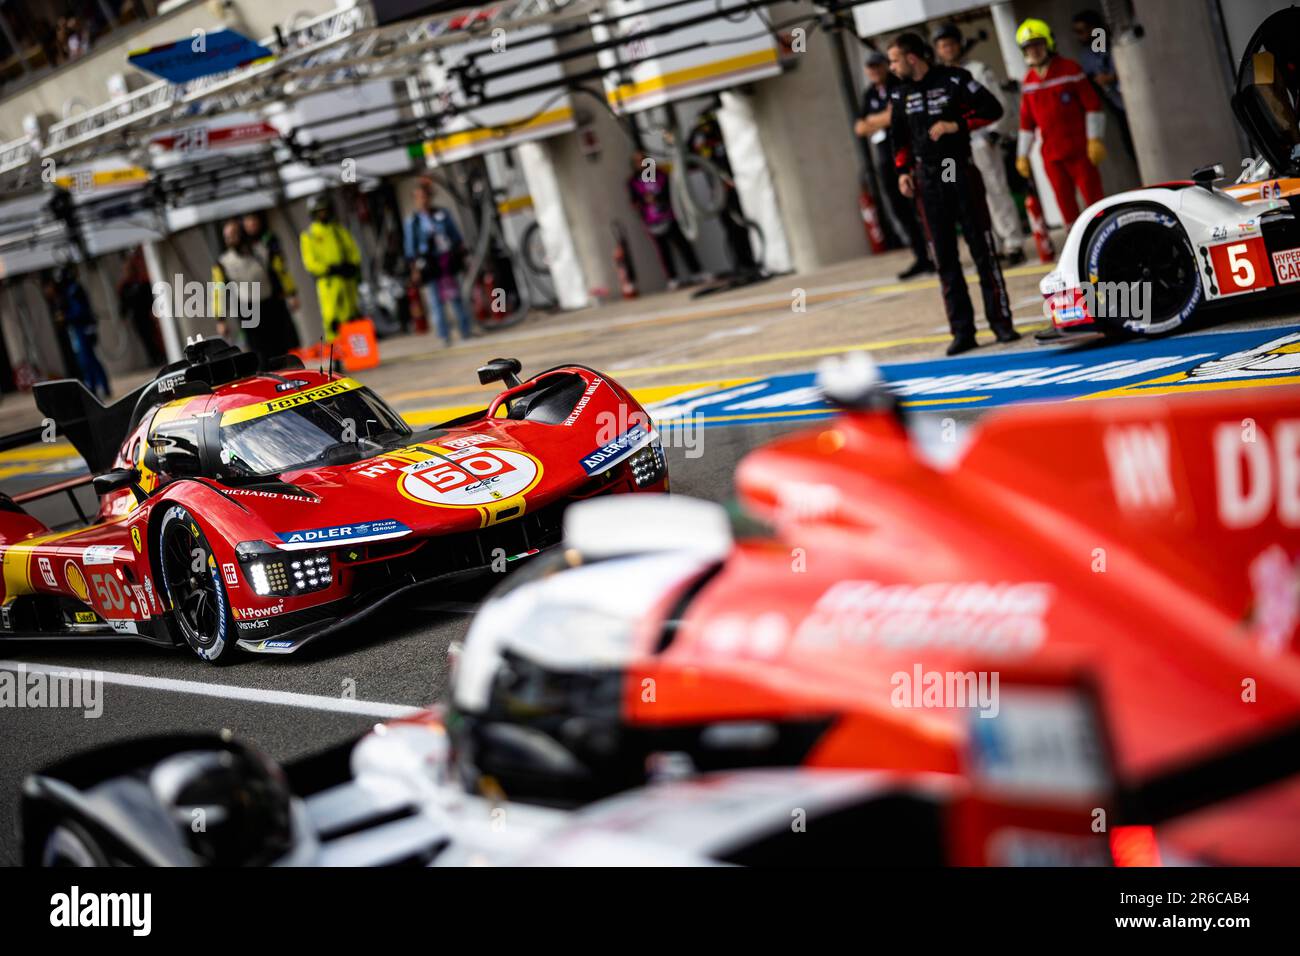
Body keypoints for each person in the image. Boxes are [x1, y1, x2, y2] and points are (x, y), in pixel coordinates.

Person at [887, 32, 1019, 356]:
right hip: (926, 178)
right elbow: (898, 138)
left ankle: (1001, 323)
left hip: (956, 167)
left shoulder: (955, 79)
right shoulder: (900, 94)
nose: (892, 67)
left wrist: (956, 125)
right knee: (944, 258)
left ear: (912, 57)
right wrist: (903, 172)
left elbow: (993, 109)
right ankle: (963, 332)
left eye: (894, 59)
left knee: (982, 249)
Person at [932, 23, 1027, 266]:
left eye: (951, 43)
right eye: (943, 45)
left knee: (996, 190)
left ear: (959, 45)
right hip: (955, 148)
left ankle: (1013, 243)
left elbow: (999, 104)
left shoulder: (978, 70)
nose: (948, 49)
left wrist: (993, 134)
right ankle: (989, 245)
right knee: (969, 196)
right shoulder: (937, 78)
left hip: (981, 139)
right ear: (938, 50)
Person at [1014, 18, 1106, 229]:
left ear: (1048, 43)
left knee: (1094, 199)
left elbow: (1092, 105)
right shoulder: (1028, 82)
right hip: (1052, 156)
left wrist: (1095, 139)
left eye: (1038, 44)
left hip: (1081, 150)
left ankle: (1103, 235)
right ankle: (1073, 243)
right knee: (1064, 202)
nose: (1034, 50)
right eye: (1029, 47)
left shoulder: (1070, 69)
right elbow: (1026, 123)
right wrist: (1022, 154)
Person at [855, 50, 934, 279]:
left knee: (918, 205)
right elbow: (859, 127)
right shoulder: (869, 93)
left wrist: (874, 120)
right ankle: (921, 256)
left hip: (904, 152)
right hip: (884, 159)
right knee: (899, 209)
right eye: (870, 68)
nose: (874, 71)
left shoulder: (897, 85)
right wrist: (877, 120)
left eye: (878, 66)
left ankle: (935, 253)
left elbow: (894, 117)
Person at [212, 219, 297, 366]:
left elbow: (280, 272)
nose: (230, 239)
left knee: (281, 347)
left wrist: (291, 293)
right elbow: (218, 292)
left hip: (270, 304)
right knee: (259, 352)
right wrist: (220, 319)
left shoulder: (262, 251)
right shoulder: (223, 263)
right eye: (227, 237)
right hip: (248, 311)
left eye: (233, 234)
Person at [687, 109, 758, 274]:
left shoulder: (723, 138)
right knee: (730, 229)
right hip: (718, 193)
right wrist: (693, 132)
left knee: (742, 223)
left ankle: (753, 259)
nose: (704, 130)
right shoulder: (702, 146)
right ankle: (742, 263)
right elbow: (689, 159)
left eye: (706, 126)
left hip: (734, 187)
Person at [403, 179, 473, 345]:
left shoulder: (442, 214)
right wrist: (414, 269)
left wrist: (462, 256)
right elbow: (410, 247)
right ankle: (444, 335)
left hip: (446, 260)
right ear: (415, 199)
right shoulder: (413, 221)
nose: (423, 200)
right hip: (429, 264)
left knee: (455, 297)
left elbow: (455, 235)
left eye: (425, 196)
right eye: (419, 197)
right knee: (435, 301)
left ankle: (465, 331)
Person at [627, 149, 700, 289]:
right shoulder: (633, 182)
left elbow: (671, 193)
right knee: (663, 252)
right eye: (637, 161)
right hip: (652, 221)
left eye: (642, 160)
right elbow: (634, 202)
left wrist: (658, 198)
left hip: (669, 216)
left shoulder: (660, 175)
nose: (641, 163)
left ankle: (697, 272)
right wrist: (644, 200)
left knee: (683, 246)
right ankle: (673, 278)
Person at [1071, 9, 1134, 157]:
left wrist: (1111, 78)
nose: (1080, 36)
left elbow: (1104, 61)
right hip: (1117, 105)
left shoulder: (1103, 41)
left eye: (1082, 31)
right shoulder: (1088, 53)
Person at [299, 194, 362, 343]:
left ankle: (355, 354)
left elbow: (353, 250)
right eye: (319, 211)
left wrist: (352, 265)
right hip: (328, 283)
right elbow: (310, 262)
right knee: (332, 320)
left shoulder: (338, 230)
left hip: (346, 280)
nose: (323, 214)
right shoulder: (309, 235)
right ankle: (337, 357)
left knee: (351, 315)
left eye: (325, 210)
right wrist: (328, 269)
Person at [242, 211, 302, 354]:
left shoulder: (269, 239)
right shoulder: (243, 246)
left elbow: (281, 268)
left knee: (282, 333)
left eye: (254, 220)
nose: (252, 224)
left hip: (274, 295)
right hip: (253, 299)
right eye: (248, 221)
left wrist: (291, 292)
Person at [55, 265, 111, 398]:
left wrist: (66, 317)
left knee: (88, 360)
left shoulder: (74, 290)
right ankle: (95, 388)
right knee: (87, 361)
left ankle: (98, 387)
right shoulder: (70, 290)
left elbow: (79, 312)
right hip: (79, 329)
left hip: (82, 329)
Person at [116, 248, 164, 366]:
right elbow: (123, 303)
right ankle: (153, 359)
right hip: (136, 317)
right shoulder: (124, 286)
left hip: (147, 314)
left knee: (155, 336)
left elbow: (151, 297)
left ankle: (161, 356)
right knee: (145, 338)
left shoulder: (143, 283)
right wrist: (122, 315)